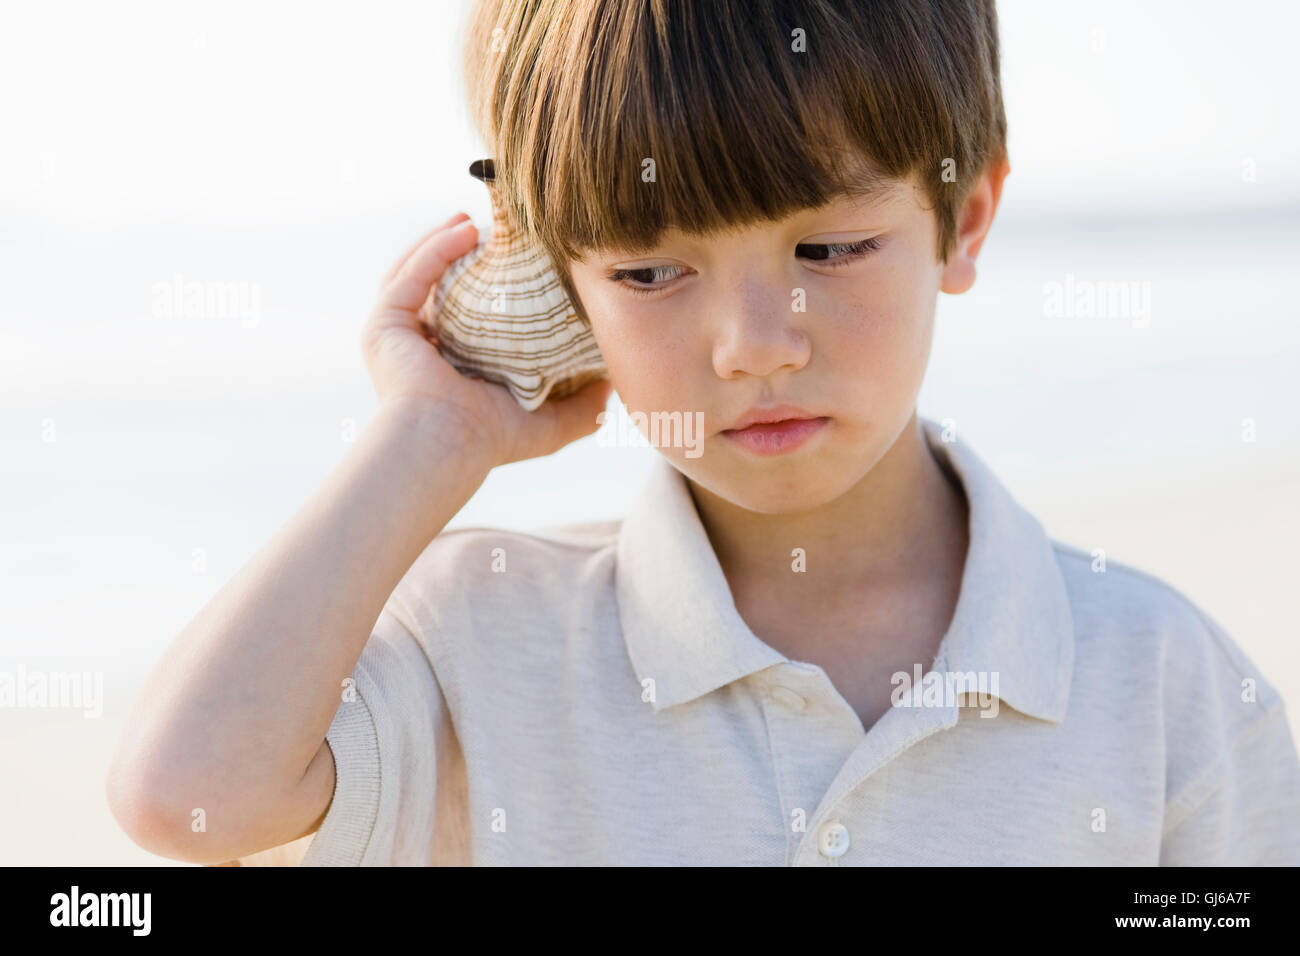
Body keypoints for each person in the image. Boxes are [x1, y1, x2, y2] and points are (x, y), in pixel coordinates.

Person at [107, 0, 1300, 865]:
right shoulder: (482, 639)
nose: (754, 345)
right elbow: (183, 796)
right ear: (557, 280)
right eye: (650, 268)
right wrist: (433, 433)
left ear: (964, 213)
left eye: (828, 249)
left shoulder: (1159, 683)